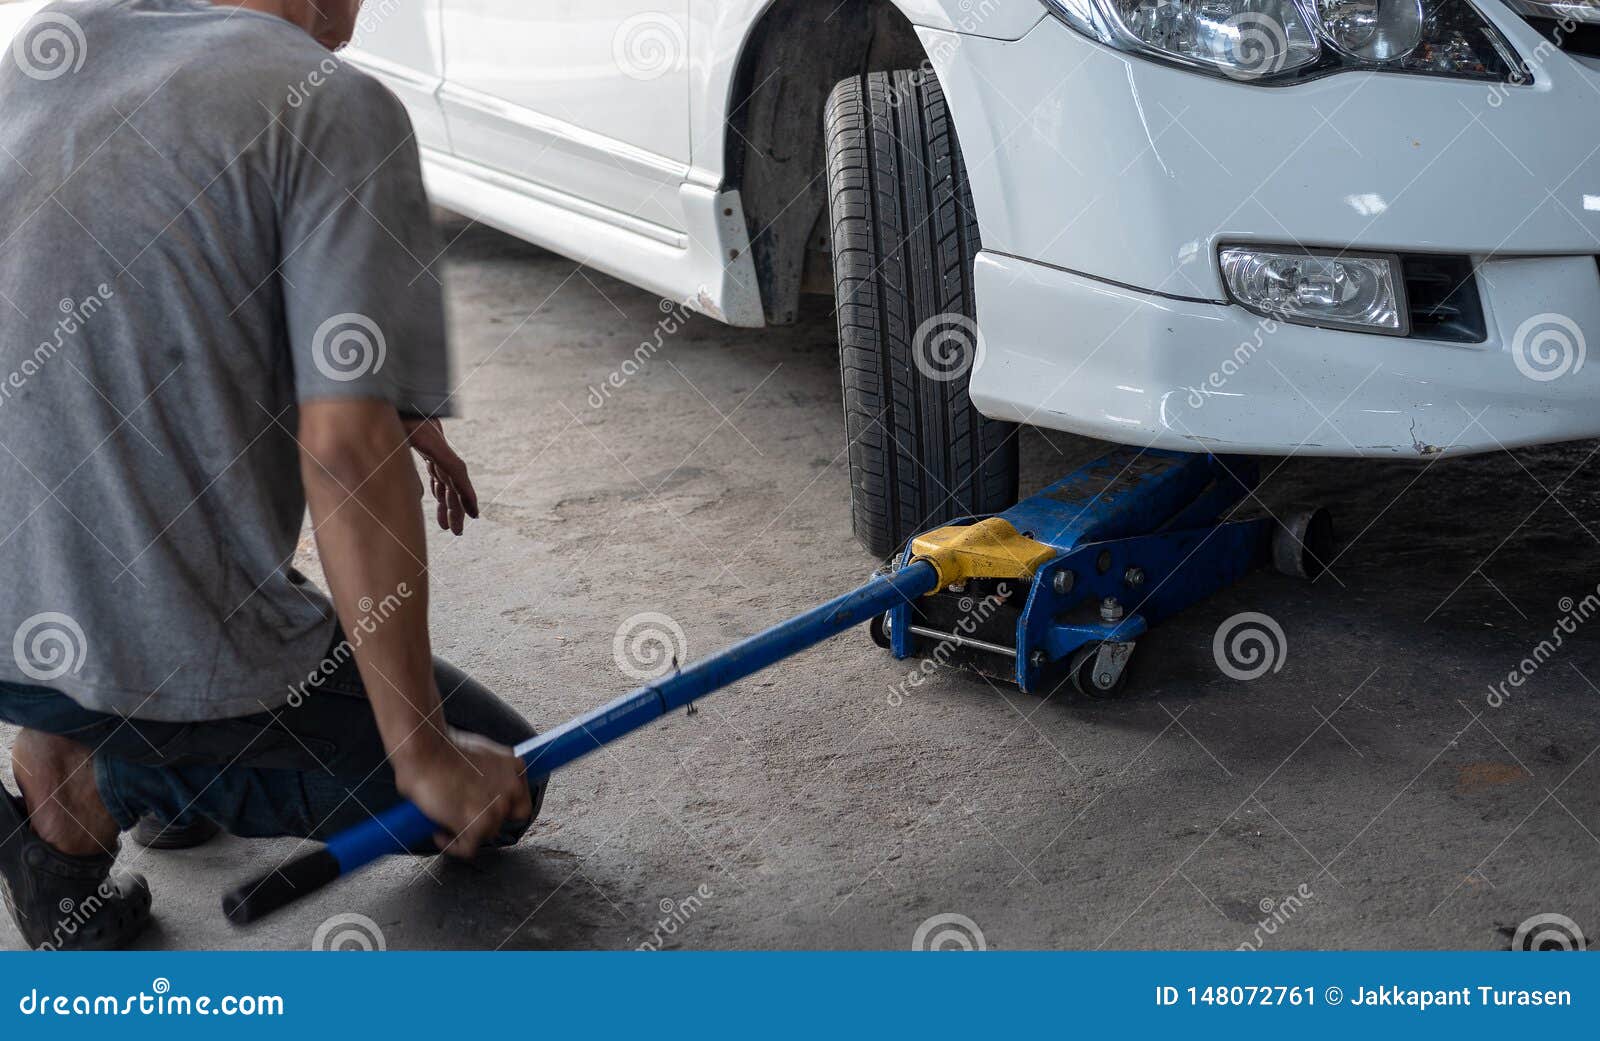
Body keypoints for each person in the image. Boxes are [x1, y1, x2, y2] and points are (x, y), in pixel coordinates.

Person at [0, 0, 540, 950]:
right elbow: (343, 449)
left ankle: (108, 732)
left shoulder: (64, 34)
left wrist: (396, 407)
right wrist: (423, 753)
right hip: (116, 627)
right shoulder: (336, 104)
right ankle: (92, 779)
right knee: (512, 777)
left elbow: (117, 272)